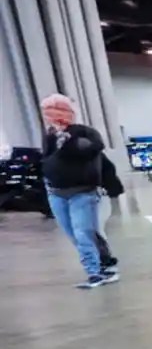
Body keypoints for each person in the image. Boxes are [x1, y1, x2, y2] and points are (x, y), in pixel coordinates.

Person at [39, 93, 118, 289]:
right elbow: (46, 158)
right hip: (56, 192)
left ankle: (94, 273)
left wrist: (68, 139)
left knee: (83, 233)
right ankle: (104, 263)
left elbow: (94, 149)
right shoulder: (49, 136)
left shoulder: (85, 133)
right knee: (75, 234)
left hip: (82, 192)